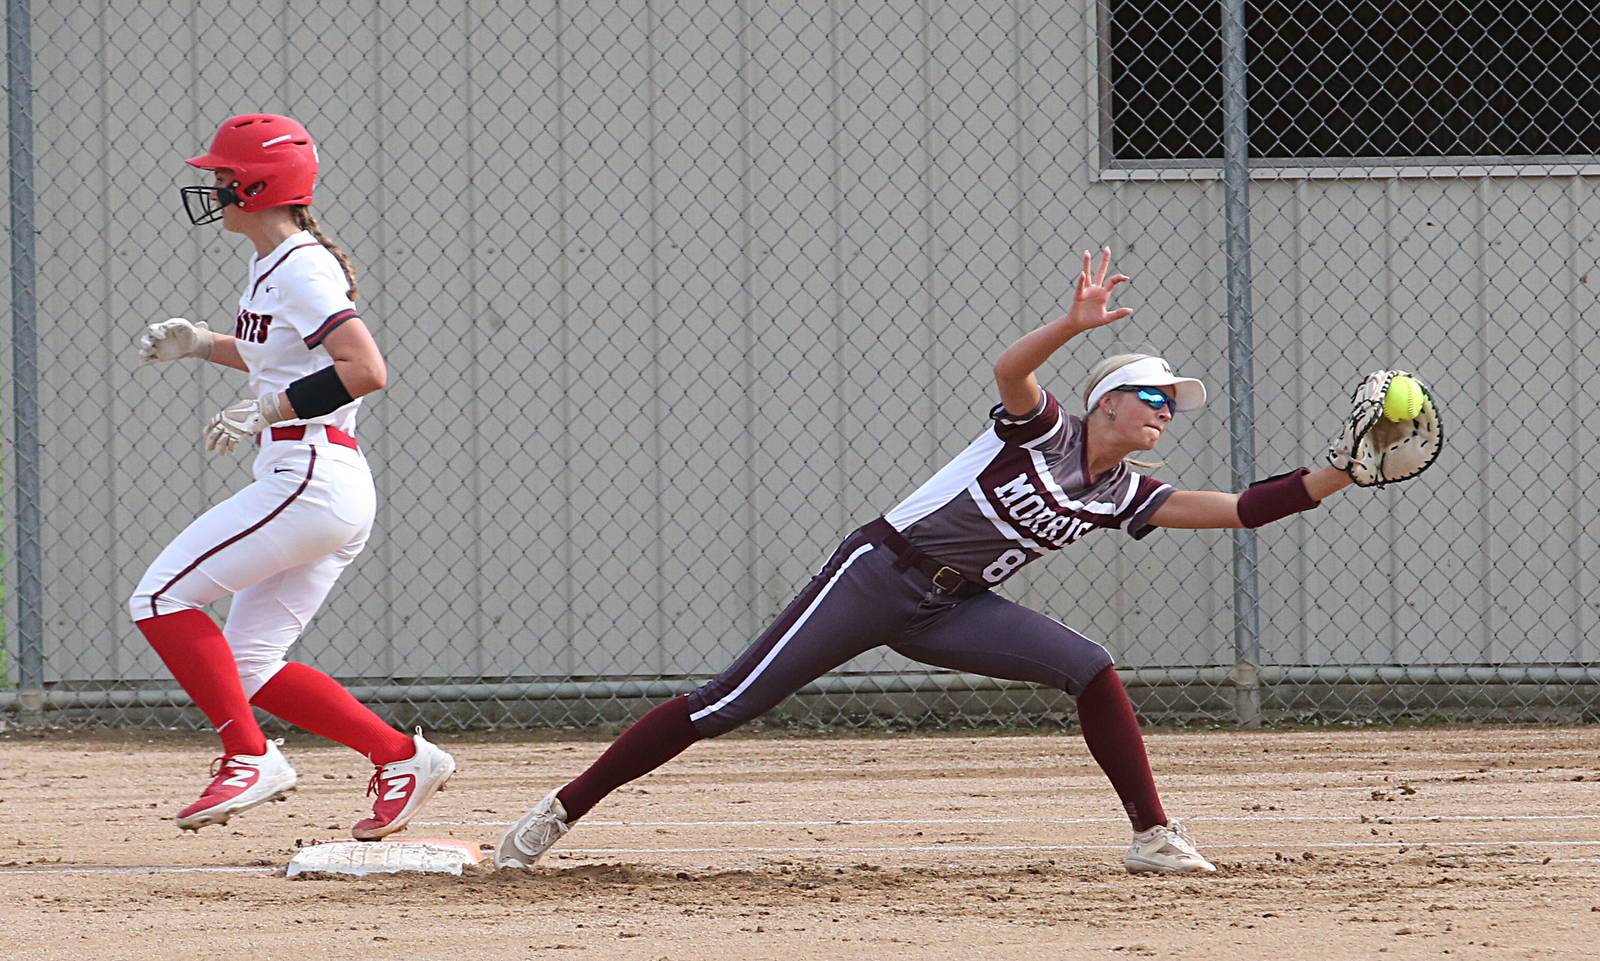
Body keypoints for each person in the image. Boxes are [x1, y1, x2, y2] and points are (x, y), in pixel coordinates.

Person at [496, 248, 1357, 874]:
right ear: (1107, 402)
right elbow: (1009, 369)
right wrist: (1070, 323)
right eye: (1155, 396)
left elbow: (1243, 508)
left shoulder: (1120, 492)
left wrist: (1341, 473)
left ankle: (1152, 835)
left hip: (953, 606)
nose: (1168, 410)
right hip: (878, 573)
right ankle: (559, 811)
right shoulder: (1045, 430)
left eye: (1174, 403)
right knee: (728, 701)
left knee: (1092, 668)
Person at [128, 113, 455, 838]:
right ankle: (402, 757)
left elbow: (365, 369)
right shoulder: (275, 262)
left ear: (259, 182)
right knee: (247, 663)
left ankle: (248, 756)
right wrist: (205, 343)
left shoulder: (301, 263)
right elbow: (284, 357)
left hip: (307, 471)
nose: (213, 186)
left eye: (223, 175)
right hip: (322, 474)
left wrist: (270, 406)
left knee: (159, 598)